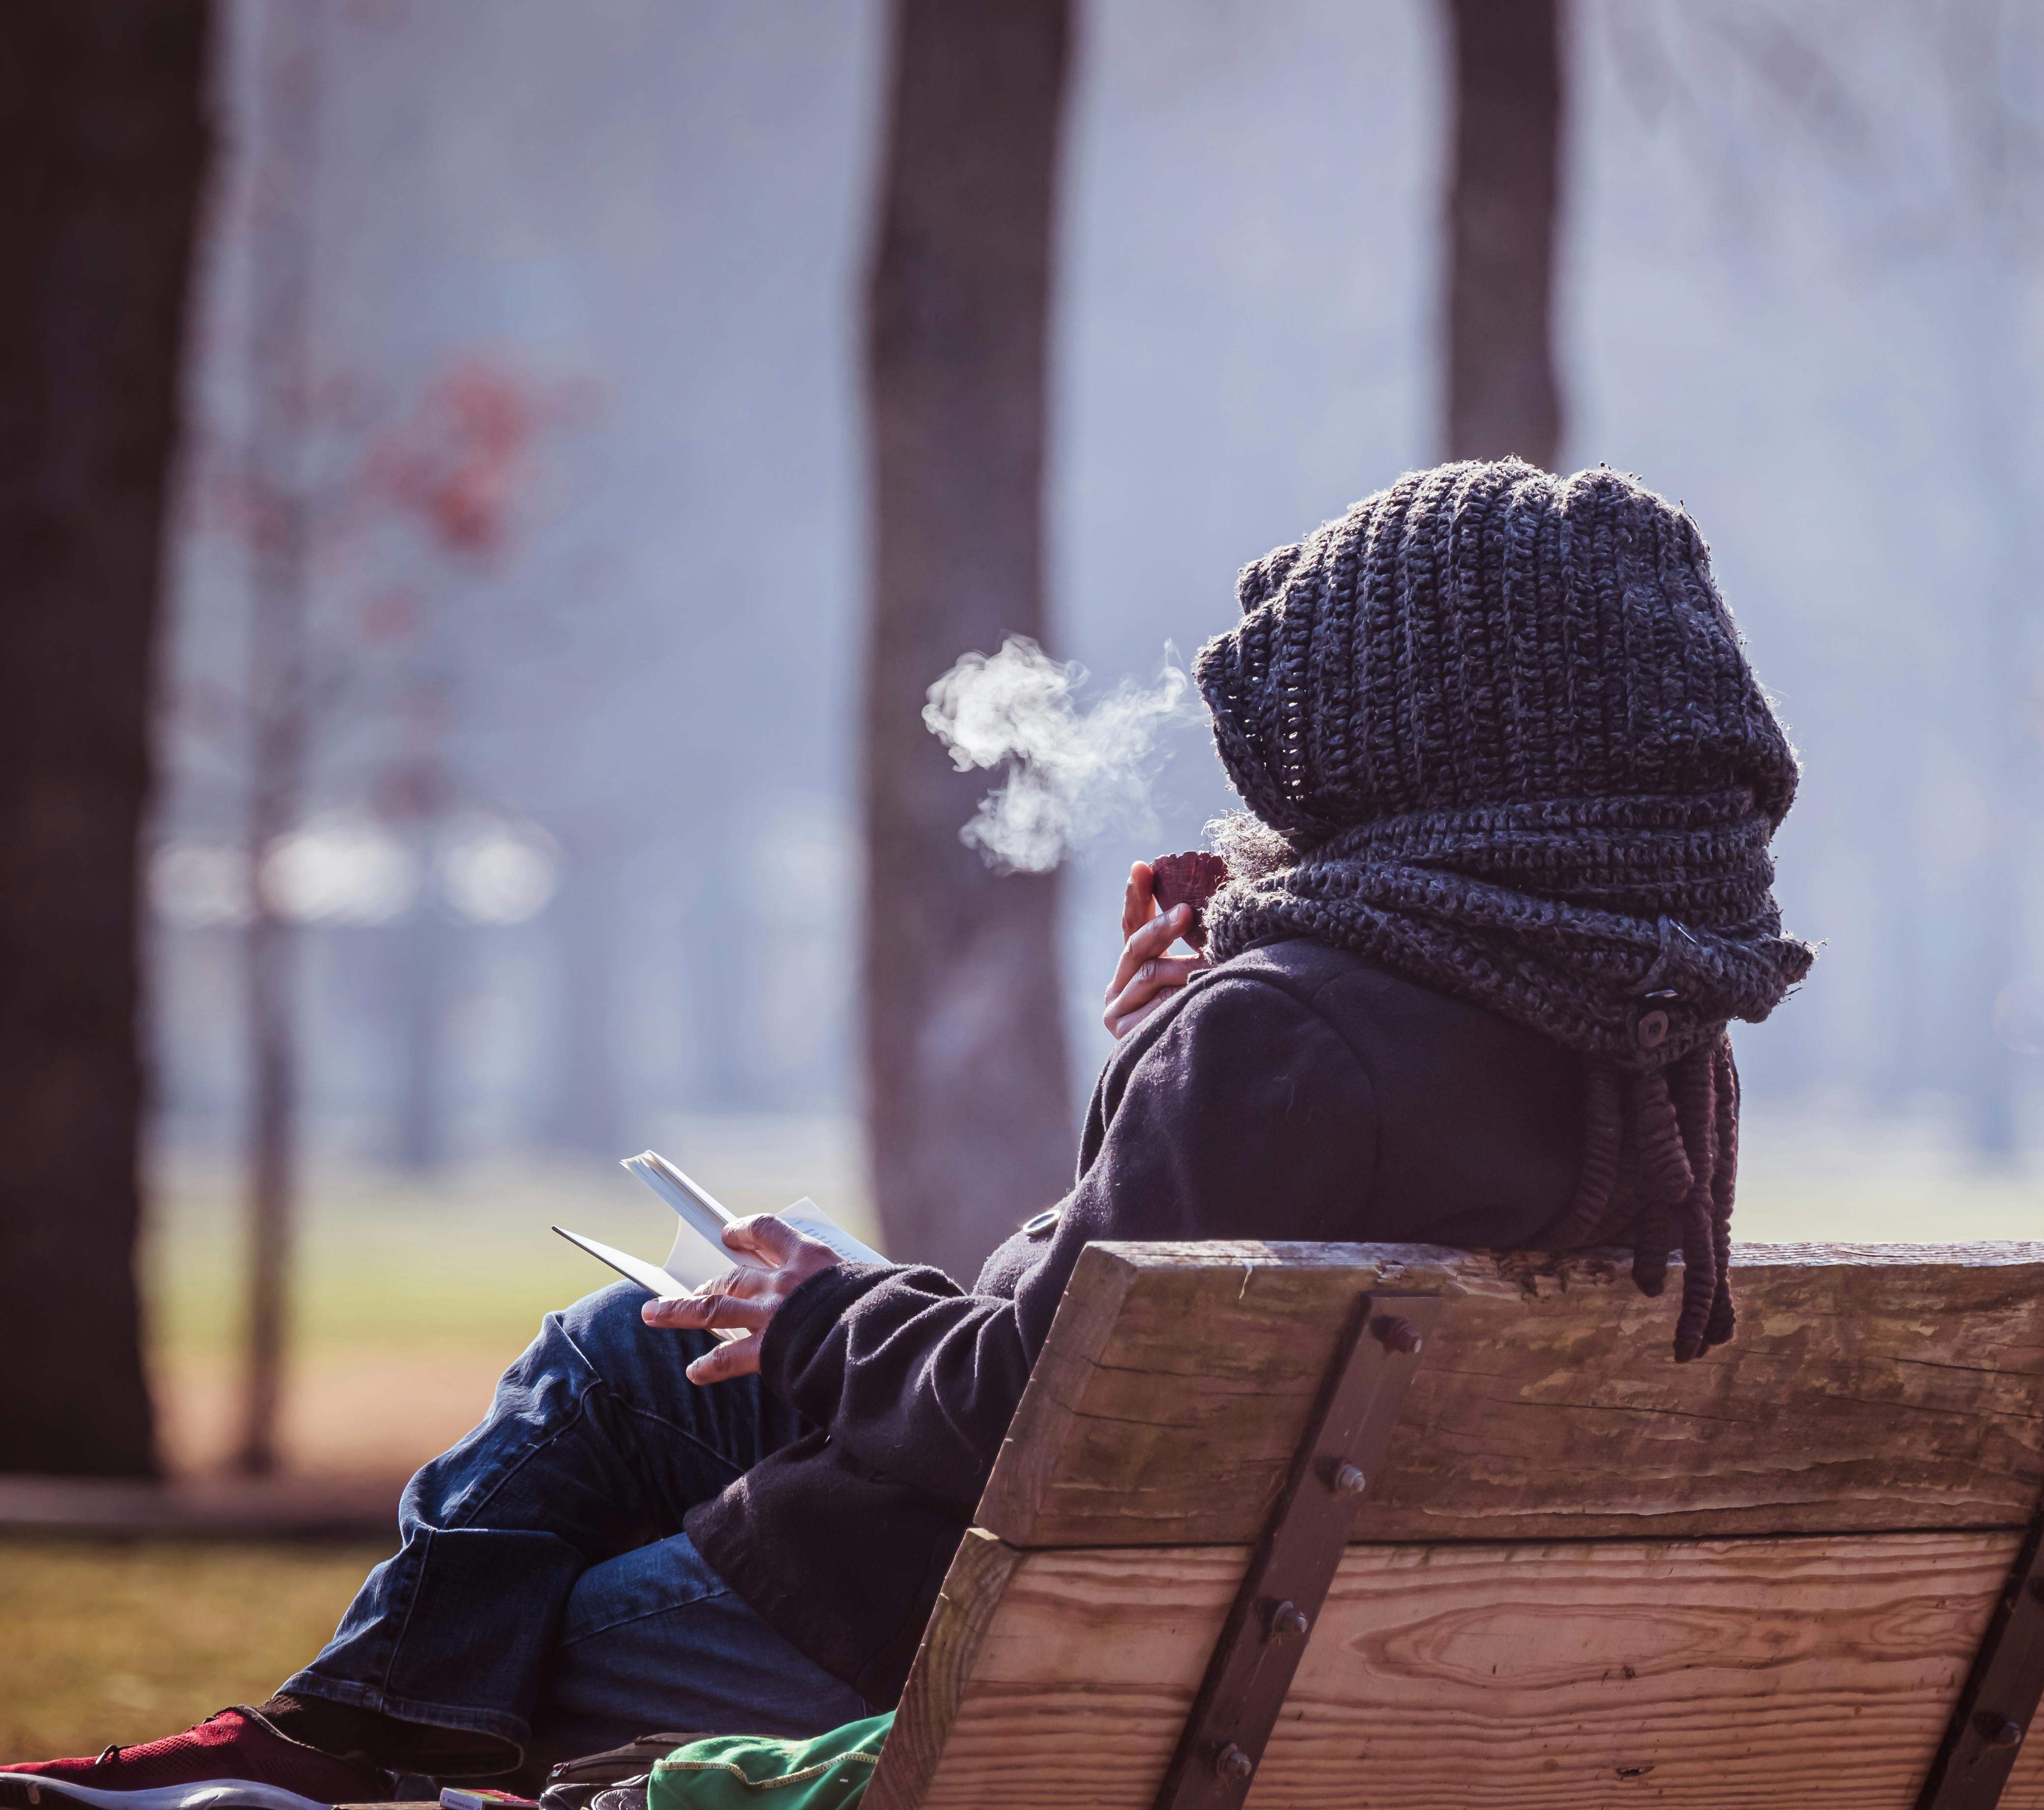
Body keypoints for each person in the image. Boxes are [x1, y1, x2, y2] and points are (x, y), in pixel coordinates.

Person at [7, 460, 1811, 1807]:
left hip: (959, 1638)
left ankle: (363, 1731)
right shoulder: (1640, 1043)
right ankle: (349, 1728)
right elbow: (1143, 1356)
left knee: (592, 1457)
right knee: (629, 1343)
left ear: (1414, 732)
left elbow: (1028, 1412)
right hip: (1275, 1620)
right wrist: (1189, 1021)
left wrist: (819, 1317)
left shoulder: (1283, 1031)